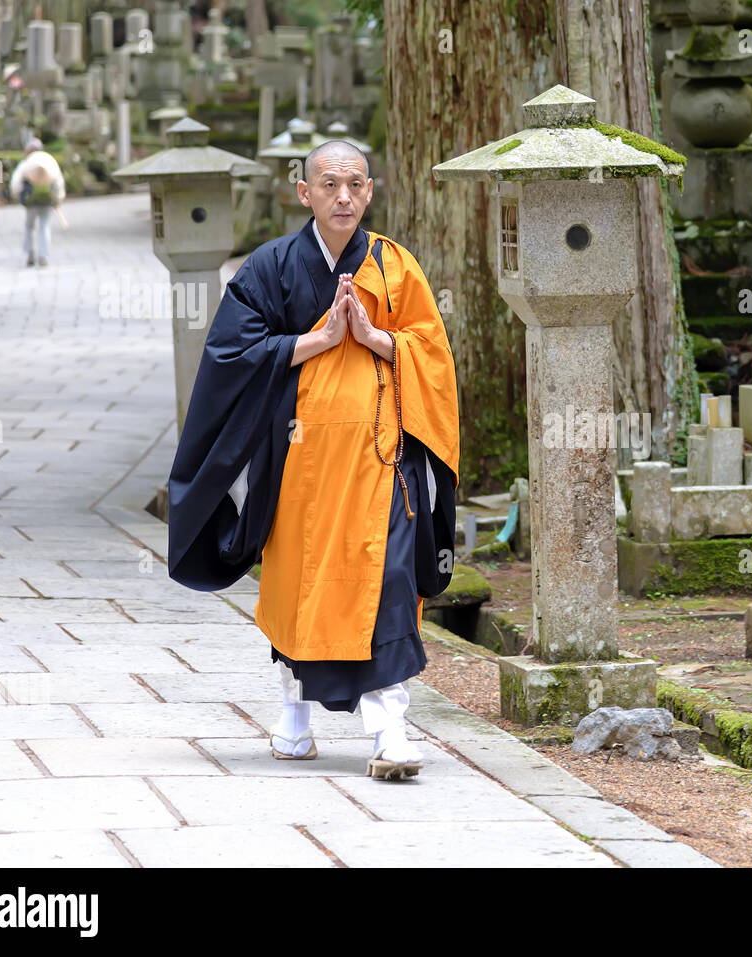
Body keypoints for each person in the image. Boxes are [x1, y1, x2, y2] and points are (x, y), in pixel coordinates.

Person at [167, 140, 460, 780]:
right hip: (297, 463)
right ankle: (293, 721)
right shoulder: (269, 268)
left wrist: (375, 338)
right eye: (329, 185)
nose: (343, 197)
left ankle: (389, 732)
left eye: (355, 184)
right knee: (299, 584)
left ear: (371, 191)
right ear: (304, 192)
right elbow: (228, 359)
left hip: (382, 462)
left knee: (386, 585)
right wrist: (316, 339)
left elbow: (433, 357)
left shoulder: (395, 266)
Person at [9, 138, 65, 267]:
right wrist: (58, 199)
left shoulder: (27, 163)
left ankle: (29, 254)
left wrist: (16, 195)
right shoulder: (48, 160)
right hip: (47, 200)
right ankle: (43, 255)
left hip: (31, 200)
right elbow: (58, 181)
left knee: (29, 227)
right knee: (44, 227)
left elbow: (16, 183)